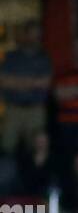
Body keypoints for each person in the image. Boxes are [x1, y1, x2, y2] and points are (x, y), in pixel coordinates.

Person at [0, 20, 52, 155]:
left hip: (36, 109)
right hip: (13, 109)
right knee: (7, 147)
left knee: (34, 149)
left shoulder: (44, 58)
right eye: (33, 34)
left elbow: (44, 83)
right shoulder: (11, 56)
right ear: (26, 34)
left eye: (38, 35)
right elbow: (4, 82)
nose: (35, 38)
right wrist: (32, 82)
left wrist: (18, 82)